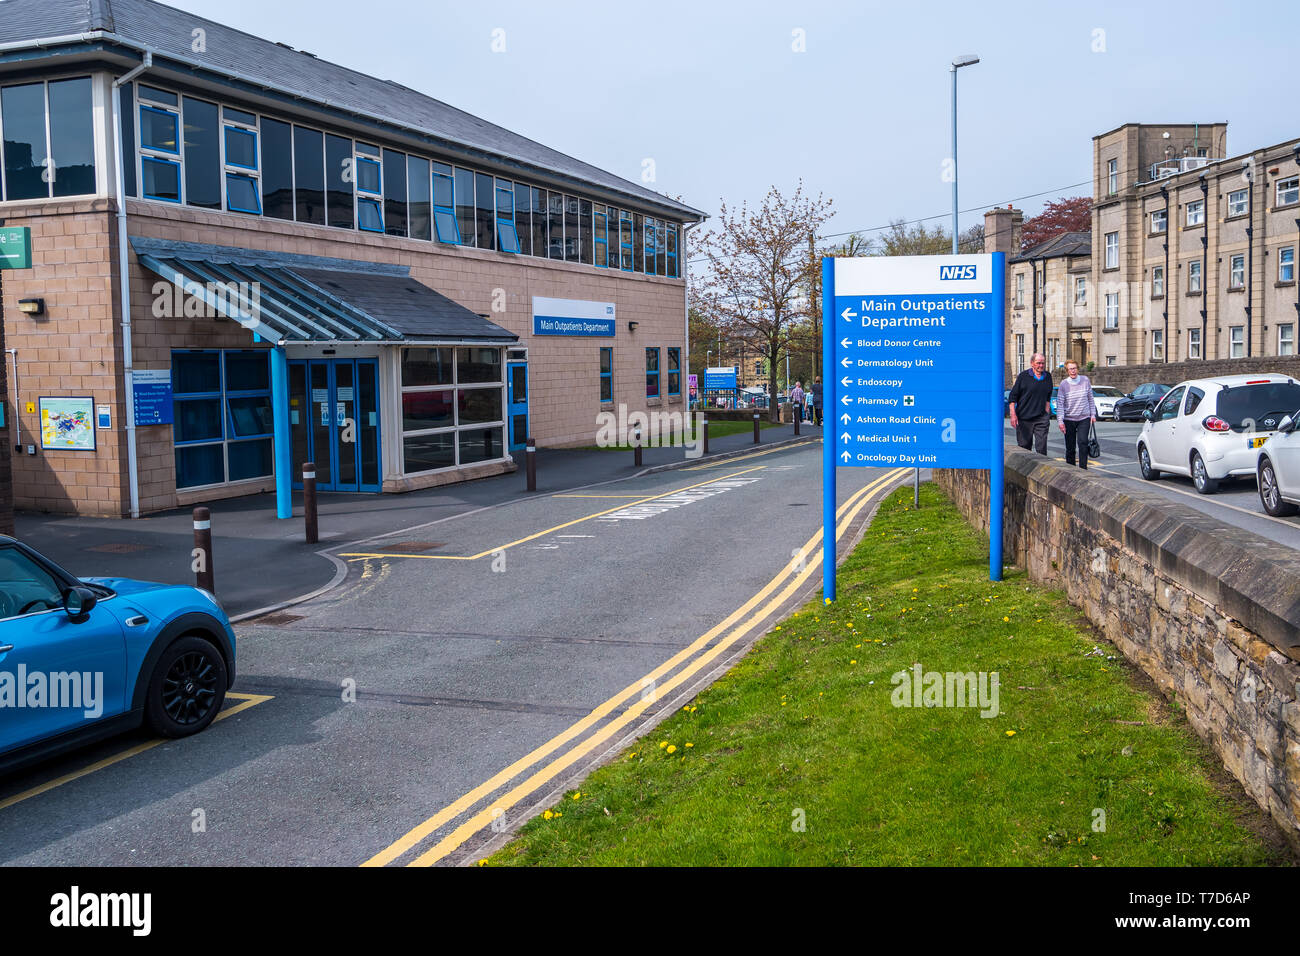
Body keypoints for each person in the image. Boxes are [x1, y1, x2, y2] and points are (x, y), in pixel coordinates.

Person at [1007, 353, 1052, 455]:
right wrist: (1013, 415)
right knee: (1025, 448)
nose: (1041, 365)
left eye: (1043, 363)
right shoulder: (1023, 376)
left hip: (1041, 419)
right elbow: (1013, 397)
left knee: (1041, 448)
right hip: (1024, 418)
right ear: (1032, 363)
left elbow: (1048, 397)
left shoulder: (1048, 376)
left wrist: (1046, 413)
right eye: (1038, 363)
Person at [1057, 360, 1098, 469]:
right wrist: (1060, 421)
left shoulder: (1085, 380)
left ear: (1078, 369)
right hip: (1069, 419)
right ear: (1067, 371)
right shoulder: (1063, 384)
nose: (1073, 371)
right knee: (1070, 447)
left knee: (1083, 443)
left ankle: (1083, 469)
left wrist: (1093, 414)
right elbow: (1060, 404)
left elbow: (1090, 398)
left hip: (1084, 418)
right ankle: (1071, 471)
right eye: (1070, 369)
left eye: (1074, 368)